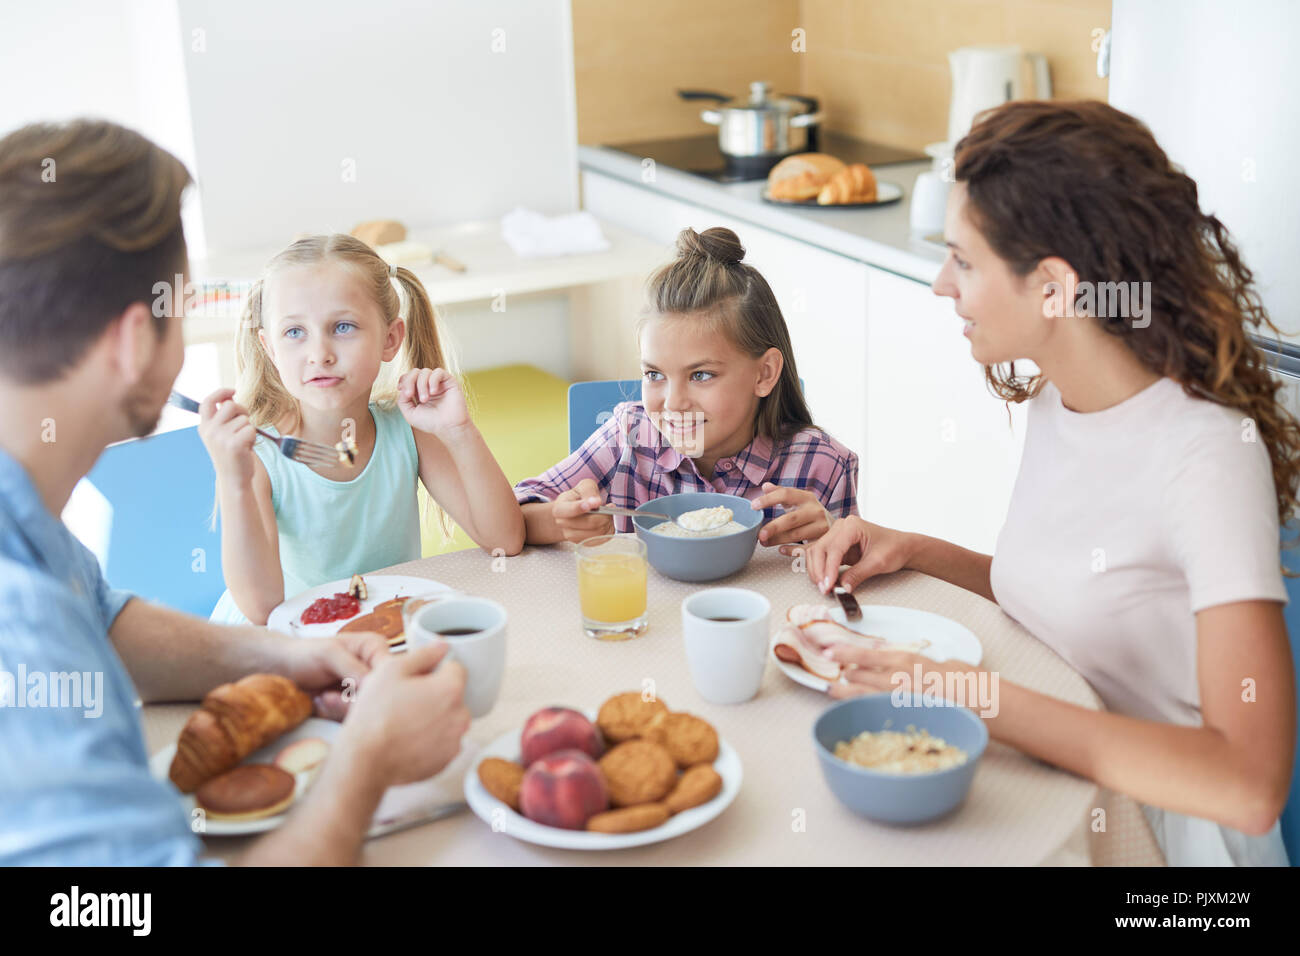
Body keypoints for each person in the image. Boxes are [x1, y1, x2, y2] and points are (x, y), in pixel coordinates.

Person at [804, 100, 1296, 866]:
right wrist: (917, 549)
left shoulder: (1207, 458)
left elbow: (1249, 786)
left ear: (1054, 288)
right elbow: (1078, 605)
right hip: (1056, 791)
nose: (942, 285)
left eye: (964, 261)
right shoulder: (1057, 399)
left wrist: (961, 692)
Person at [0, 118, 471, 865]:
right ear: (131, 342)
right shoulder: (17, 625)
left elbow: (109, 622)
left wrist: (286, 659)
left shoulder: (25, 525)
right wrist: (370, 761)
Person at [203, 233, 524, 625]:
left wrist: (459, 431)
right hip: (279, 643)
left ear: (390, 340)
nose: (319, 353)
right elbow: (262, 609)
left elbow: (504, 541)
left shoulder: (408, 430)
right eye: (294, 332)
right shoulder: (258, 457)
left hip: (378, 632)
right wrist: (232, 478)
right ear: (270, 350)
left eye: (342, 327)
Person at [516, 226, 860, 546]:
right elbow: (516, 518)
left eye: (700, 375)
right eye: (654, 375)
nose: (673, 404)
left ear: (764, 374)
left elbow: (849, 581)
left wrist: (830, 538)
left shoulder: (822, 465)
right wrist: (560, 521)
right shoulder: (630, 436)